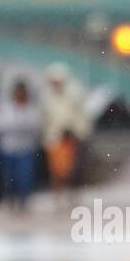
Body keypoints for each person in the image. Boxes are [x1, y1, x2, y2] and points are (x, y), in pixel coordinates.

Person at [39, 64, 90, 196]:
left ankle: (73, 193)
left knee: (73, 169)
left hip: (72, 137)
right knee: (56, 171)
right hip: (55, 139)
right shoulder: (46, 97)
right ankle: (58, 195)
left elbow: (80, 116)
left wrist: (79, 132)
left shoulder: (74, 95)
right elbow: (46, 119)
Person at [0, 78, 42, 210]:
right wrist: (18, 125)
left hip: (25, 149)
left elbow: (35, 126)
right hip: (8, 148)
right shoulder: (6, 107)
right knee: (9, 177)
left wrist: (19, 125)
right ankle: (10, 199)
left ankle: (23, 200)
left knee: (24, 177)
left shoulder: (31, 108)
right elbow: (1, 124)